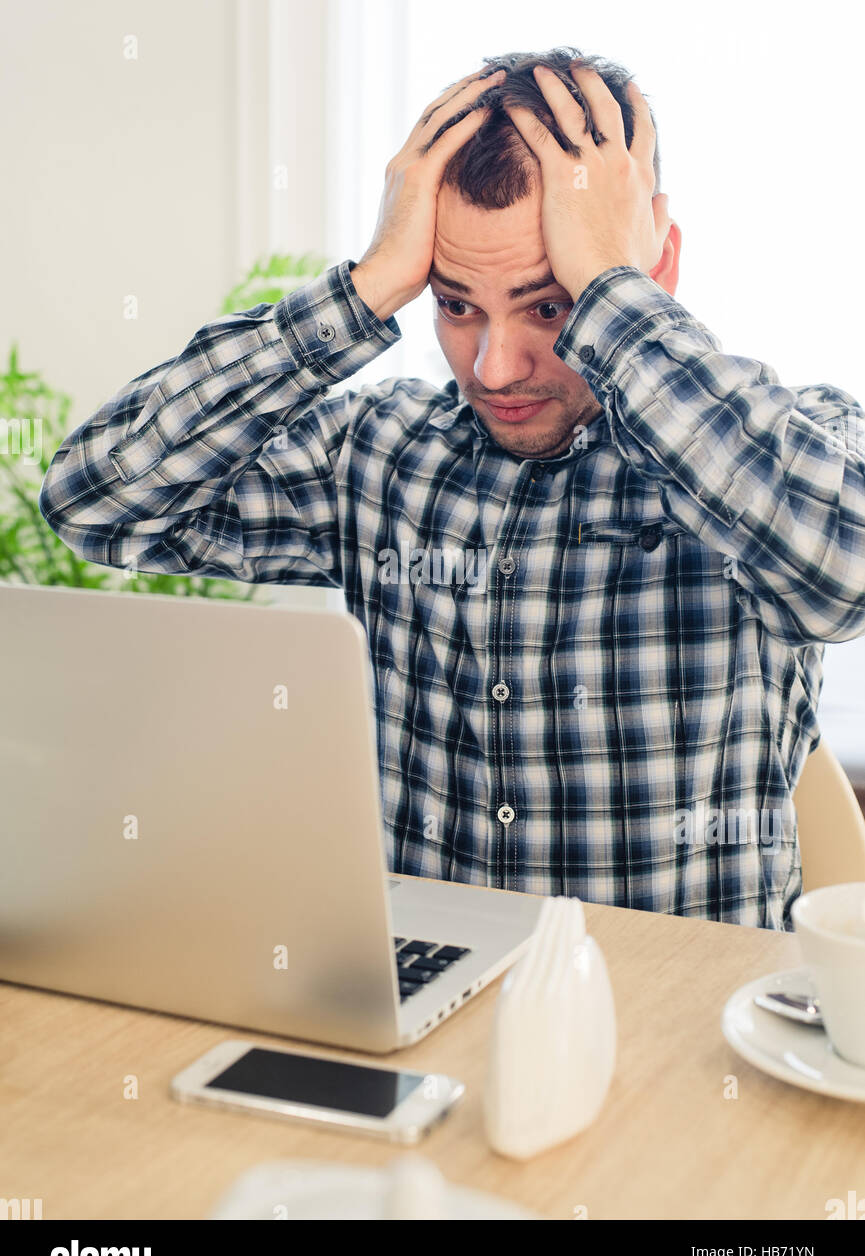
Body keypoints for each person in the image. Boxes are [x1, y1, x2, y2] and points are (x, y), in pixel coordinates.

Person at [39, 45, 865, 929]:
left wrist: (612, 298)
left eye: (550, 305)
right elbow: (96, 501)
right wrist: (362, 292)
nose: (494, 366)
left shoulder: (785, 441)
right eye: (454, 303)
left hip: (673, 1033)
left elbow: (839, 573)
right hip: (423, 1020)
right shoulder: (375, 452)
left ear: (652, 262)